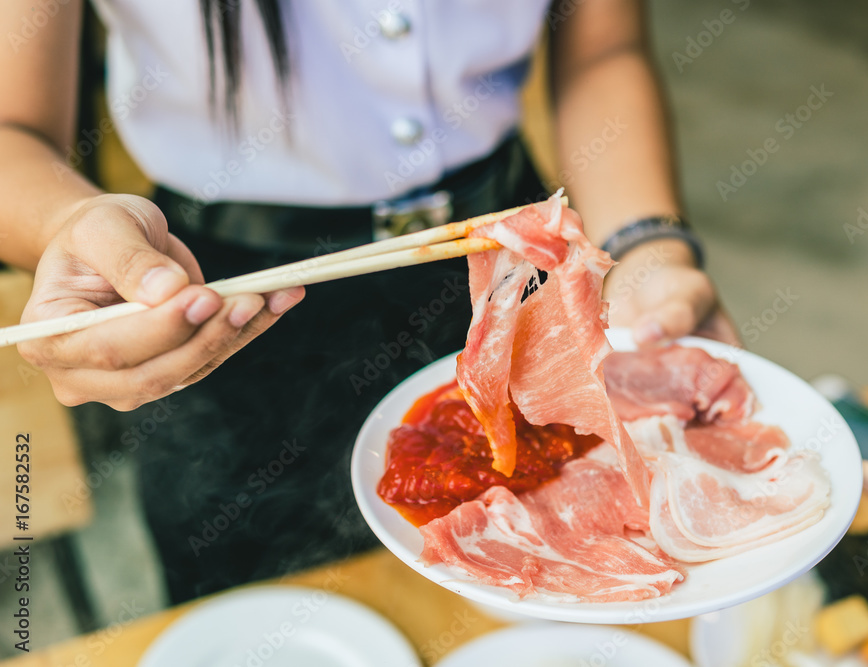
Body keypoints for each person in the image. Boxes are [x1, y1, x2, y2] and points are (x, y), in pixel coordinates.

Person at [0, 0, 739, 603]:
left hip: (506, 269)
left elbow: (603, 49)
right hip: (222, 303)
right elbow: (13, 130)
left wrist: (646, 247)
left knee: (568, 591)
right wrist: (68, 225)